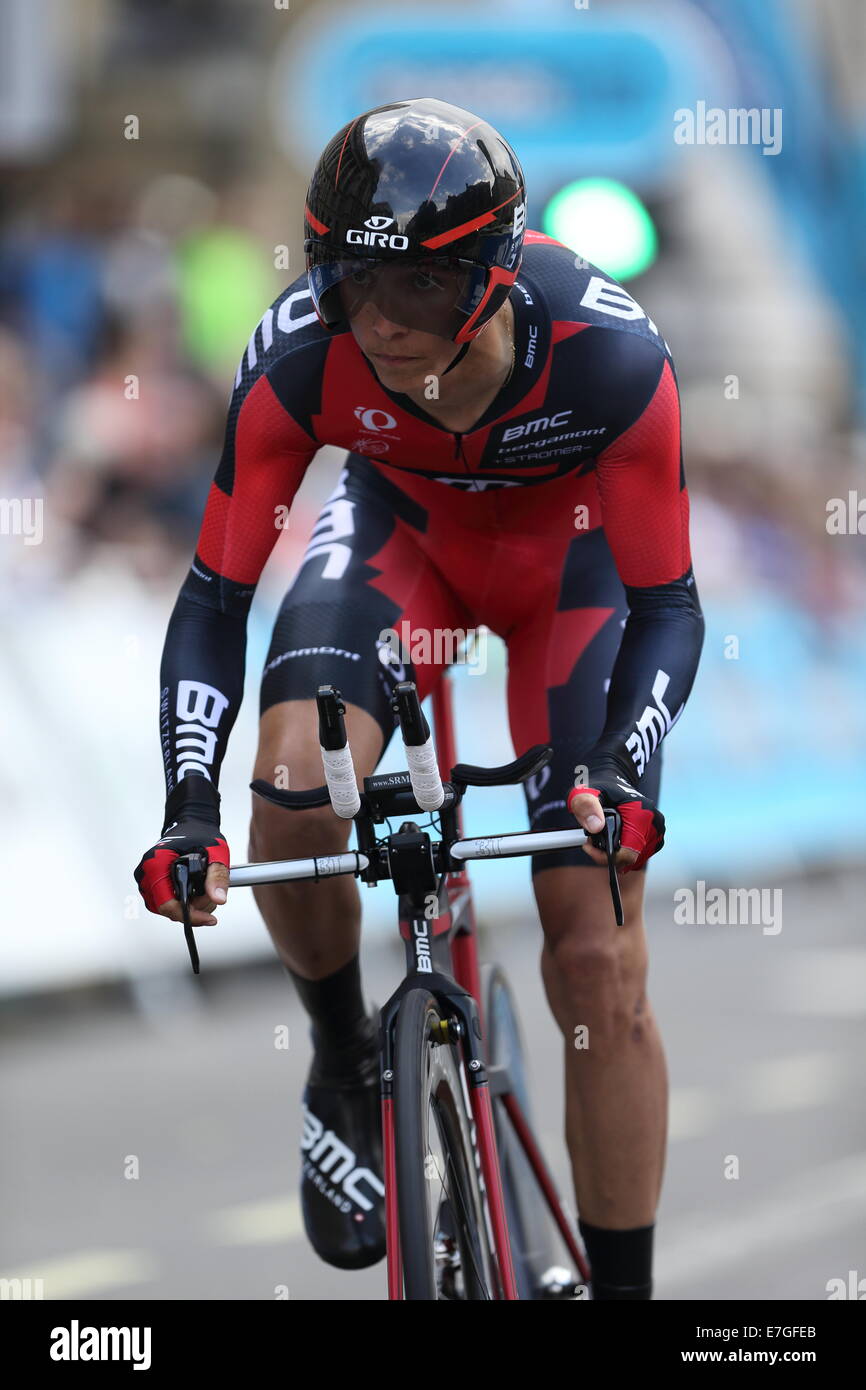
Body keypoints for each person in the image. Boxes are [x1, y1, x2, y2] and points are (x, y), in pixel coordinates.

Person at [135, 97, 704, 1298]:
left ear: (493, 282)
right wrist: (191, 805)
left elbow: (668, 608)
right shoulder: (299, 354)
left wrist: (624, 772)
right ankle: (344, 1050)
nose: (385, 328)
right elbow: (211, 600)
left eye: (425, 298)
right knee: (292, 789)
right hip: (402, 545)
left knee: (595, 956)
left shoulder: (610, 354)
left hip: (576, 577)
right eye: (353, 288)